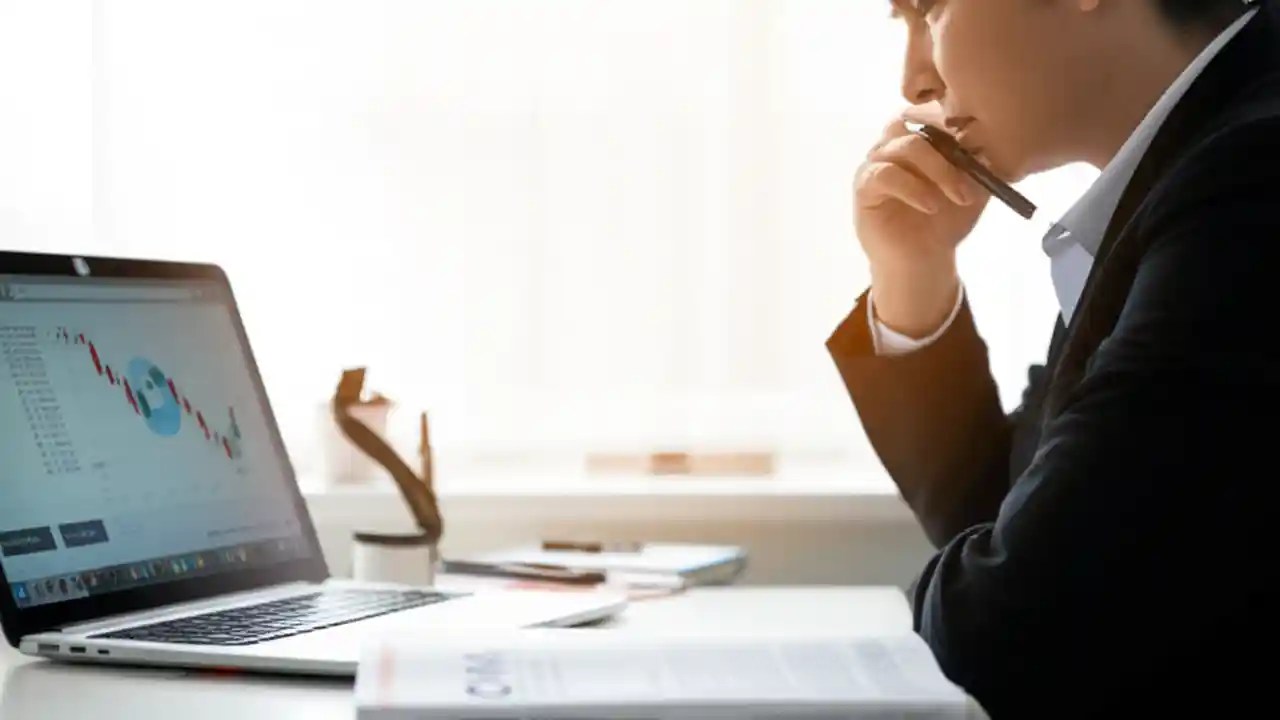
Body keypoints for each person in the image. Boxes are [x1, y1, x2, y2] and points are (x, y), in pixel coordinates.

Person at [827, 0, 1280, 716]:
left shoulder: (1247, 185)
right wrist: (914, 273)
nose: (915, 83)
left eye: (931, 11)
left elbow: (1011, 625)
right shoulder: (1180, 175)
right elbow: (1014, 527)